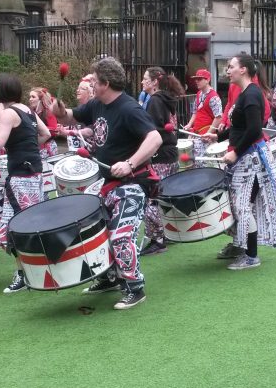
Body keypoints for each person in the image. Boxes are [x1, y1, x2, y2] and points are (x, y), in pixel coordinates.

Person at [51, 57, 162, 310]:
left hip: (133, 183)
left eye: (94, 81)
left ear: (106, 84)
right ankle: (109, 278)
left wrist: (130, 163)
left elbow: (154, 138)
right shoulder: (96, 105)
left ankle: (135, 288)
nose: (91, 85)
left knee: (121, 236)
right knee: (96, 234)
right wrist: (55, 108)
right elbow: (68, 117)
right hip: (108, 183)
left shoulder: (129, 108)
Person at [202, 53, 276, 268]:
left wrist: (235, 152)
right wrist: (218, 136)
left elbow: (253, 130)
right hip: (246, 156)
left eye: (231, 66)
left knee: (242, 206)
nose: (227, 70)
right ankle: (242, 247)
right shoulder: (245, 93)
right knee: (241, 205)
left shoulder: (251, 95)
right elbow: (239, 127)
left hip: (251, 158)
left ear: (244, 70)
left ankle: (251, 256)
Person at [0, 74, 52, 293]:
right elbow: (45, 134)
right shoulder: (26, 110)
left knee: (19, 228)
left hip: (21, 177)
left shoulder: (9, 113)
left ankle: (29, 274)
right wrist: (26, 146)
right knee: (16, 227)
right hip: (33, 172)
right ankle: (26, 272)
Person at [141, 69, 184, 256]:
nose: (142, 82)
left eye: (145, 79)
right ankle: (166, 234)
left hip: (160, 156)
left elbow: (152, 130)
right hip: (170, 154)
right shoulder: (165, 99)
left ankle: (158, 240)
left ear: (154, 82)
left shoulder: (156, 101)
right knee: (163, 198)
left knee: (151, 199)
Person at [183, 69, 222, 165]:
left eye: (199, 79)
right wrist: (189, 125)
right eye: (196, 79)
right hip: (196, 134)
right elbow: (195, 112)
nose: (196, 81)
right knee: (194, 163)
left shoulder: (214, 97)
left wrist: (208, 133)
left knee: (204, 164)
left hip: (205, 136)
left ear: (207, 80)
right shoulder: (199, 94)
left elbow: (218, 117)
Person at [28, 86, 60, 159]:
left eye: (33, 97)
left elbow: (54, 129)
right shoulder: (31, 112)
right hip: (36, 147)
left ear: (40, 99)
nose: (30, 99)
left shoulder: (48, 112)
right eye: (30, 97)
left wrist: (38, 129)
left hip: (47, 147)